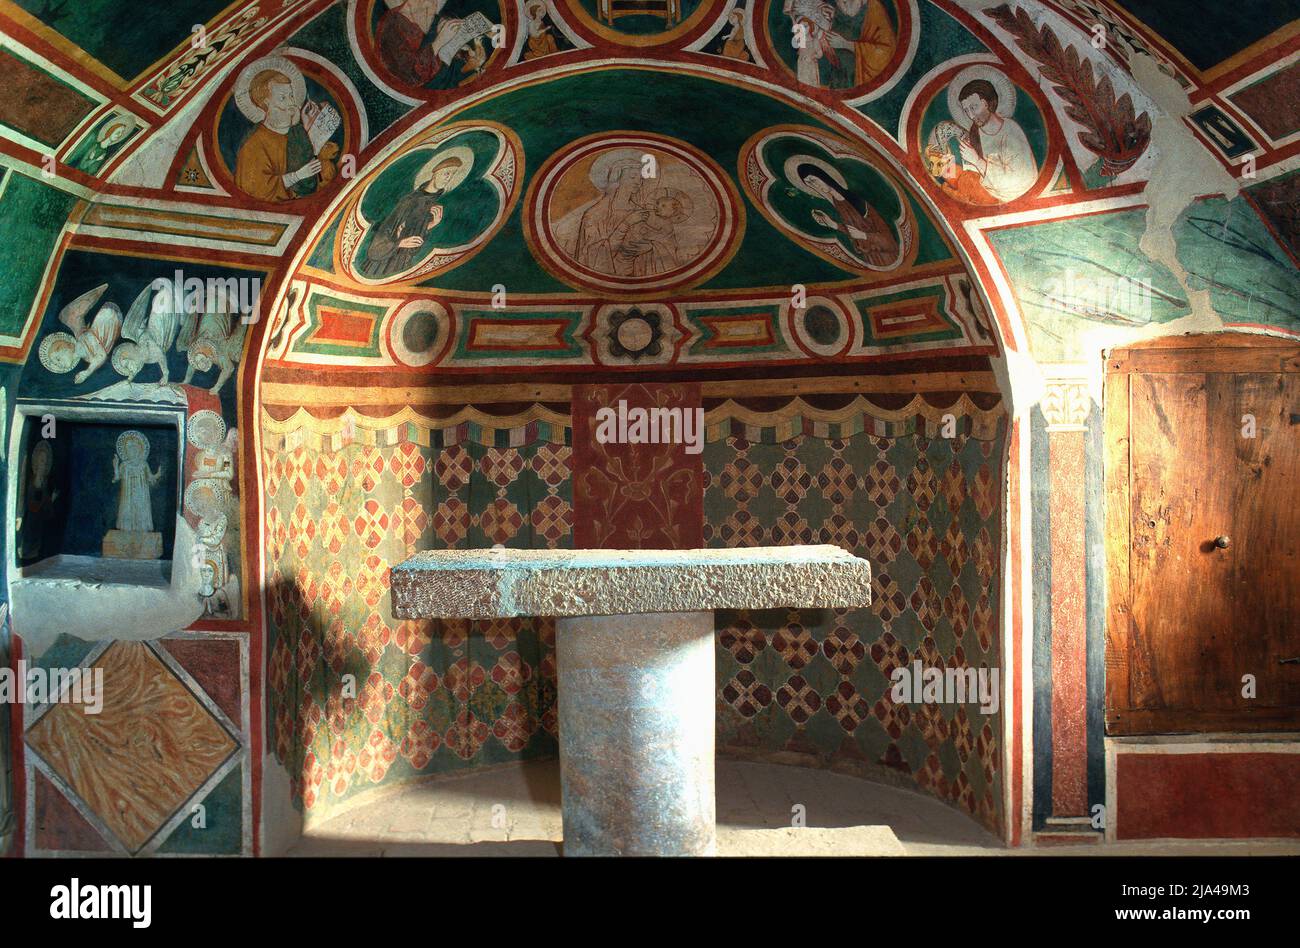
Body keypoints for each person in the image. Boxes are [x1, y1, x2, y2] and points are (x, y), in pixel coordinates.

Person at [234, 68, 337, 201]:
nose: (290, 103)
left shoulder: (298, 132)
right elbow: (256, 190)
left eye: (291, 96)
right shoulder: (253, 145)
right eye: (283, 98)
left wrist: (307, 128)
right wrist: (297, 175)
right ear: (265, 102)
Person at [361, 155, 467, 277]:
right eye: (446, 173)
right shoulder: (409, 201)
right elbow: (384, 234)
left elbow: (414, 237)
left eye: (452, 175)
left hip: (403, 263)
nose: (448, 178)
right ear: (435, 173)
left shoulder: (433, 203)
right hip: (384, 264)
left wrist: (432, 224)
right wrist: (399, 243)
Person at [797, 163, 899, 267]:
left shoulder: (857, 201)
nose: (815, 186)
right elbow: (854, 230)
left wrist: (863, 236)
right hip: (872, 260)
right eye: (809, 184)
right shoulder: (837, 203)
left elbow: (890, 243)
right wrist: (833, 224)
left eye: (813, 180)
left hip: (887, 258)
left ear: (822, 177)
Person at [956, 78, 1037, 202]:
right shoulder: (975, 132)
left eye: (973, 107)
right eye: (966, 110)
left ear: (986, 103)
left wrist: (977, 161)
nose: (971, 116)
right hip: (986, 195)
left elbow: (1017, 181)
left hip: (1013, 198)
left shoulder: (1011, 132)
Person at [112, 432, 163, 534]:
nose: (132, 452)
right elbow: (117, 478)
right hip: (128, 495)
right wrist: (115, 466)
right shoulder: (124, 465)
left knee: (141, 508)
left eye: (134, 449)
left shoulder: (143, 464)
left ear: (139, 450)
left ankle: (142, 528)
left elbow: (150, 478)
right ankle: (127, 529)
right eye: (129, 450)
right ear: (126, 452)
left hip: (141, 493)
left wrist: (158, 474)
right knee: (128, 509)